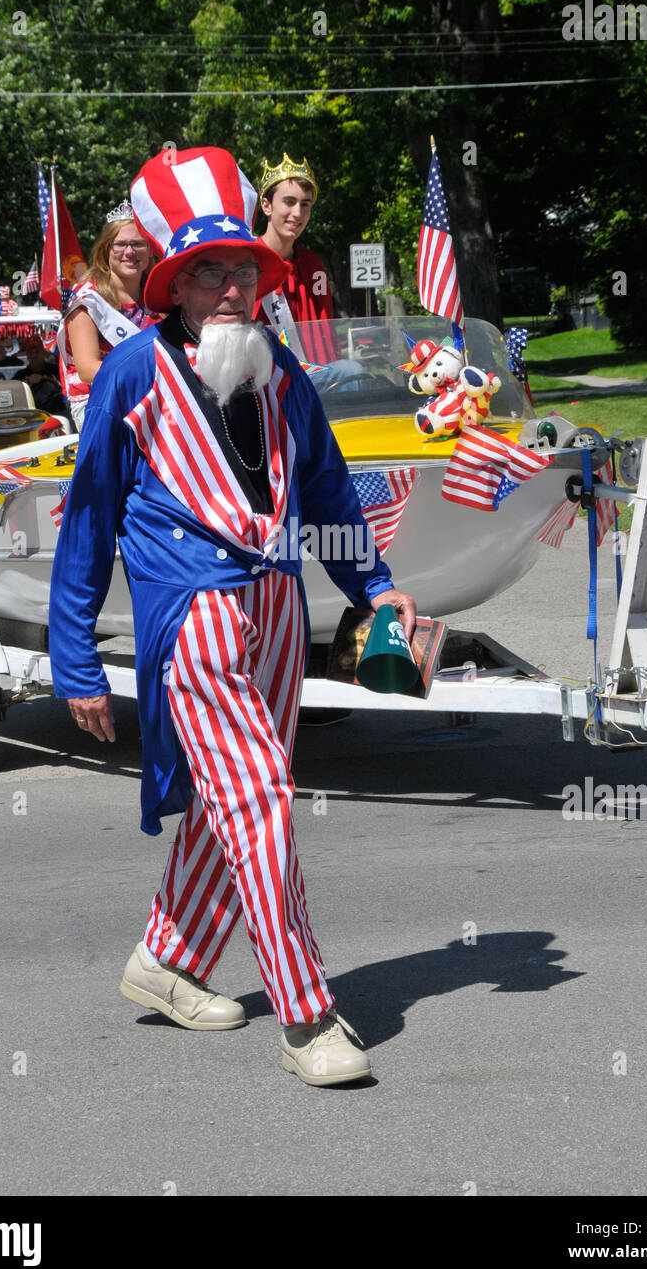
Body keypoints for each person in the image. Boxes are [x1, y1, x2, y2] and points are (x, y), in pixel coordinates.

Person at [48, 145, 416, 1087]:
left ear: (261, 279)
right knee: (260, 800)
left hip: (279, 607)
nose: (225, 287)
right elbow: (87, 521)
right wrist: (77, 657)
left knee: (232, 805)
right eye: (205, 271)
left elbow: (331, 495)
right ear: (171, 286)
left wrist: (377, 591)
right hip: (193, 613)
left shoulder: (282, 374)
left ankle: (166, 960)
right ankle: (307, 1015)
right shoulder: (129, 374)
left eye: (241, 269)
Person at [253, 154, 364, 390]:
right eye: (289, 202)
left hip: (314, 378)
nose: (297, 213)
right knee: (352, 371)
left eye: (305, 205)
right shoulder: (247, 263)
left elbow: (325, 329)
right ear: (266, 205)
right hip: (268, 382)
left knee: (353, 376)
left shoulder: (312, 264)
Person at [57, 201, 159, 430]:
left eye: (138, 244)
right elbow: (87, 369)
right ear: (106, 250)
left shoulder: (159, 297)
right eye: (120, 244)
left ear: (150, 250)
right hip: (100, 402)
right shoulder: (88, 300)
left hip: (152, 398)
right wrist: (150, 376)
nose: (130, 252)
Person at [15, 336, 68, 416]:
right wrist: (27, 383)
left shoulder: (54, 369)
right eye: (31, 353)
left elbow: (64, 388)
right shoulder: (20, 374)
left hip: (56, 411)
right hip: (31, 413)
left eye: (37, 352)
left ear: (43, 353)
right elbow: (16, 395)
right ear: (27, 356)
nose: (34, 356)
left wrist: (43, 379)